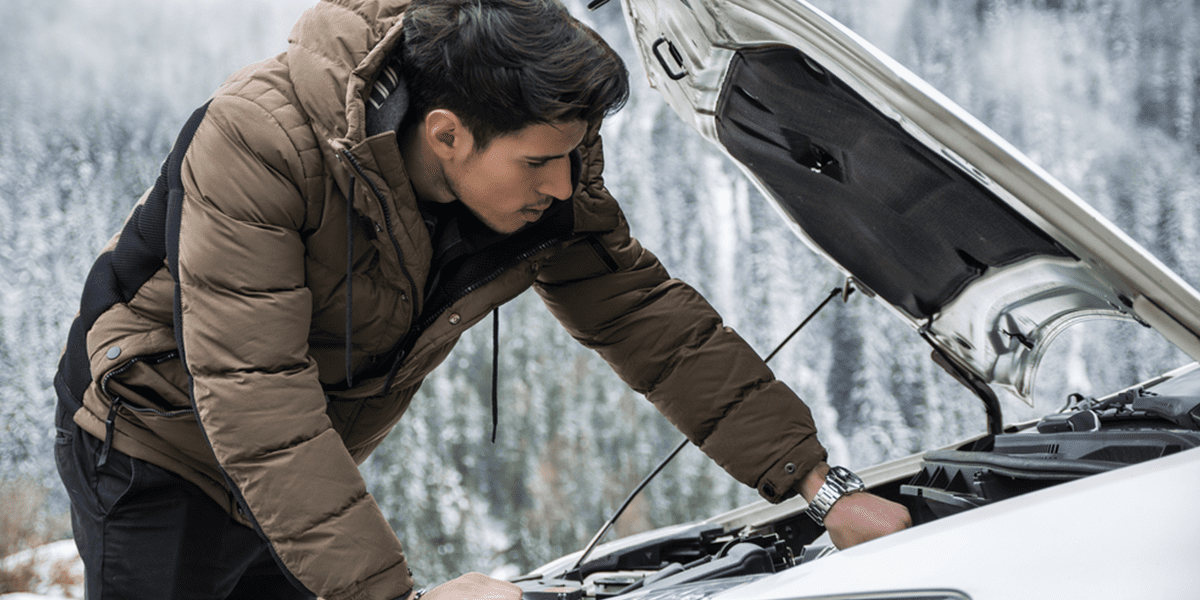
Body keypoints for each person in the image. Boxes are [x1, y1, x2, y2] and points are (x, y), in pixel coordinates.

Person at [52, 0, 910, 598]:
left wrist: (820, 487)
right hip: (154, 441)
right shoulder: (263, 140)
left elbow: (647, 318)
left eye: (575, 156)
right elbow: (256, 393)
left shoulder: (538, 150)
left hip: (301, 460)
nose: (565, 183)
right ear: (447, 135)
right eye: (540, 162)